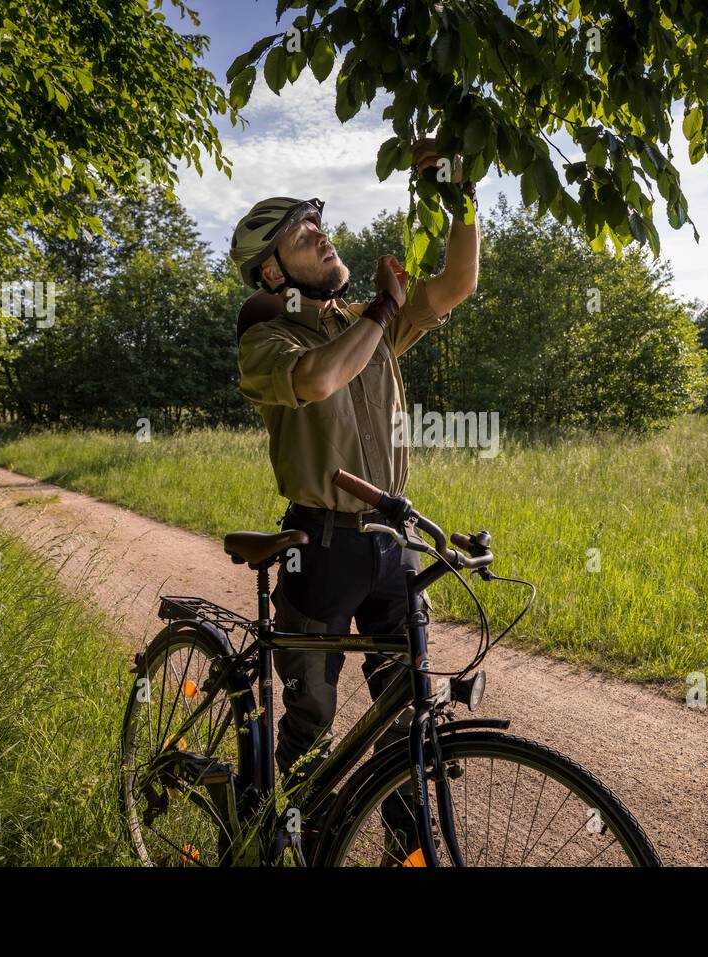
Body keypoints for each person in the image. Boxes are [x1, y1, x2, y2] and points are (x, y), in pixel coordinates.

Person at [229, 139, 480, 863]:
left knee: (410, 719)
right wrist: (380, 316)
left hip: (389, 541)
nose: (324, 233)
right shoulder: (268, 338)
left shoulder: (365, 321)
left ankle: (408, 853)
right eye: (304, 234)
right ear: (274, 270)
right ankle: (289, 850)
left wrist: (456, 186)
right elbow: (315, 381)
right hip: (320, 546)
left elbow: (457, 282)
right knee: (311, 723)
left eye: (320, 222)